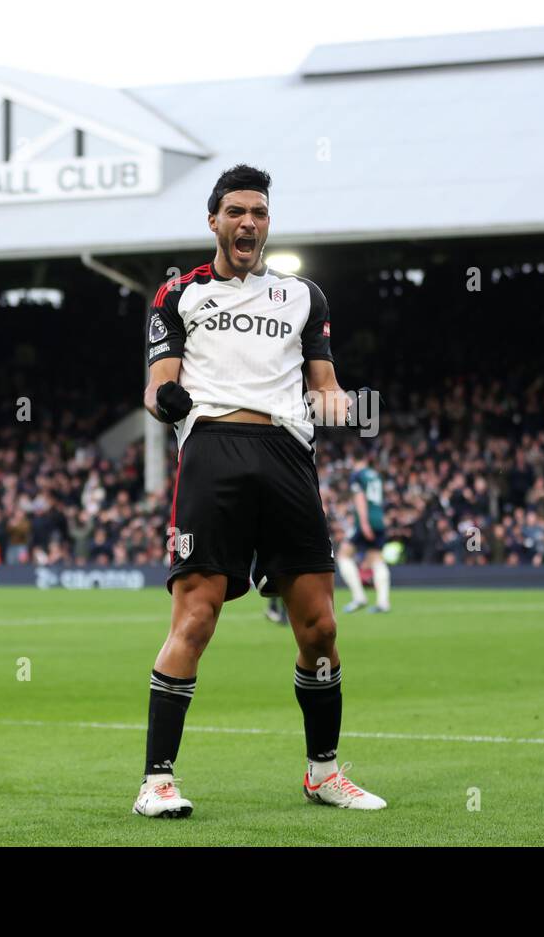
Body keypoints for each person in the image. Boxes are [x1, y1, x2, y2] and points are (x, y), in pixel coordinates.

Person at [133, 164, 386, 818]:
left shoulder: (305, 297)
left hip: (286, 455)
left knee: (322, 627)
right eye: (237, 211)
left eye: (260, 213)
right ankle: (157, 783)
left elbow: (324, 383)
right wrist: (168, 398)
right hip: (212, 449)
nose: (249, 223)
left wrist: (337, 403)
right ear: (213, 220)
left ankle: (324, 774)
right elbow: (157, 386)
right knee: (196, 618)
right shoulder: (177, 295)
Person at [336, 450, 391, 613]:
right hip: (379, 519)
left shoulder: (357, 476)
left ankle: (359, 597)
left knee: (343, 555)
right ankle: (383, 602)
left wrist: (364, 523)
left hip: (365, 520)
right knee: (376, 559)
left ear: (353, 459)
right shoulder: (375, 475)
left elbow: (360, 498)